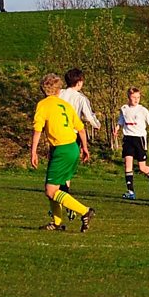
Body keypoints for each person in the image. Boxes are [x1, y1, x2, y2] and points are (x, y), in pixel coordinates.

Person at [29, 73, 94, 232]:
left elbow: (38, 130)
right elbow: (80, 128)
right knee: (53, 188)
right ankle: (56, 223)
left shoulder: (43, 105)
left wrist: (33, 152)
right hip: (72, 147)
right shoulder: (65, 105)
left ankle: (85, 211)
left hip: (62, 149)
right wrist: (84, 148)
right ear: (59, 91)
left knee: (51, 190)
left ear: (43, 90)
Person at [56, 69, 101, 200]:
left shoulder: (59, 94)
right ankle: (64, 199)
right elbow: (89, 116)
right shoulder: (81, 98)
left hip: (57, 133)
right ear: (79, 82)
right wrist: (97, 124)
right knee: (67, 170)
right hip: (72, 135)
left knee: (58, 167)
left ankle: (60, 199)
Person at [115, 87, 149, 199]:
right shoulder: (124, 108)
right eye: (133, 97)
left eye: (138, 97)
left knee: (142, 167)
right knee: (128, 164)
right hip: (128, 139)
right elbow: (121, 120)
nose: (136, 100)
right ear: (128, 97)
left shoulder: (143, 110)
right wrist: (117, 128)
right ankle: (130, 192)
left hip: (139, 139)